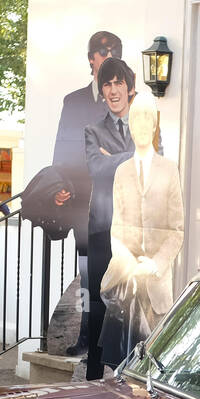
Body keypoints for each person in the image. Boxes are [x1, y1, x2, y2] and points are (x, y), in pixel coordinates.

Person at [99, 91, 183, 368]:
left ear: (155, 125)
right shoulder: (121, 171)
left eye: (148, 120)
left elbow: (176, 230)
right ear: (131, 127)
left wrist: (155, 265)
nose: (143, 126)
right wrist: (128, 261)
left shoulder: (170, 170)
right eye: (137, 120)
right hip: (127, 284)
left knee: (153, 365)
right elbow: (117, 227)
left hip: (156, 287)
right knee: (119, 366)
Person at [52, 30, 120, 355]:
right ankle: (85, 338)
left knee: (114, 275)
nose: (108, 56)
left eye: (114, 51)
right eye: (103, 51)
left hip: (116, 207)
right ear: (92, 58)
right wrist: (59, 186)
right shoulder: (74, 101)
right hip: (82, 206)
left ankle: (110, 342)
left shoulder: (127, 102)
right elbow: (62, 150)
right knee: (85, 275)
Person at [82, 57, 138, 380]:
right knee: (99, 306)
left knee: (133, 308)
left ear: (130, 88)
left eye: (119, 83)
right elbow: (97, 170)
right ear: (101, 92)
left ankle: (127, 379)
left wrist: (116, 159)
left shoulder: (147, 127)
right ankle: (93, 379)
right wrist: (132, 157)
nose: (113, 90)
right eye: (107, 84)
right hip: (103, 228)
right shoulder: (92, 131)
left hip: (136, 230)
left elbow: (153, 166)